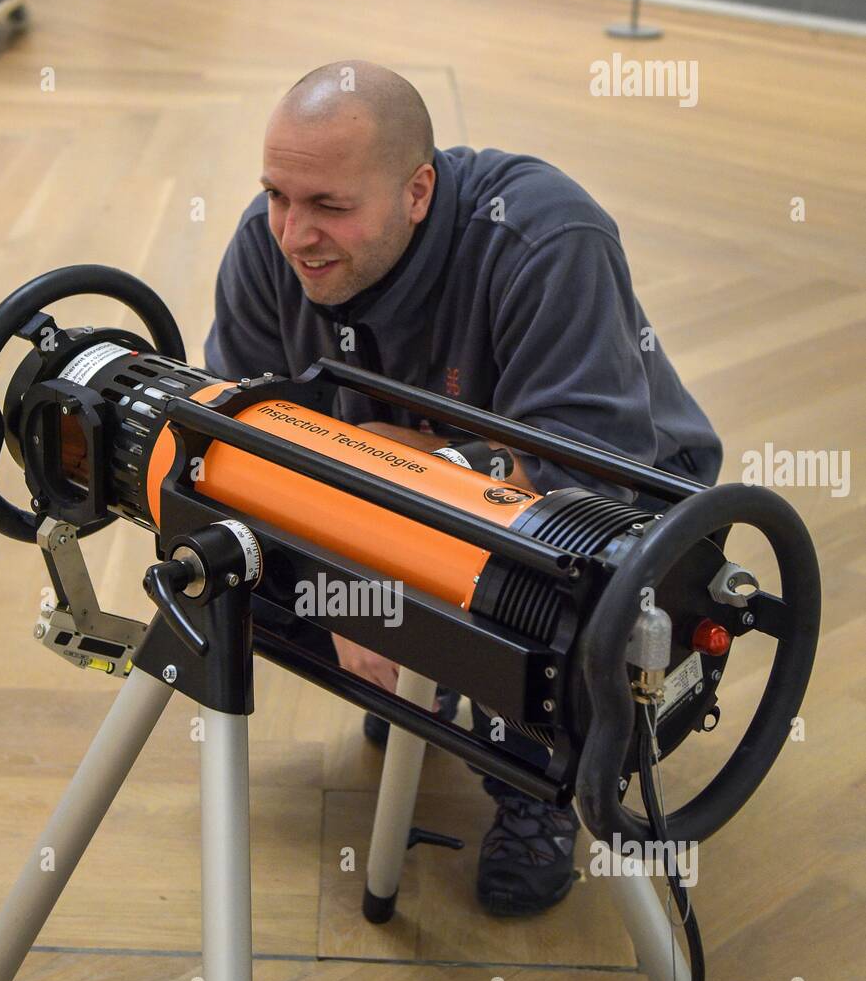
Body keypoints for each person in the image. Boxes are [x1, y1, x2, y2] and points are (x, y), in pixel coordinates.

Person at [203, 59, 722, 917]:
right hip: (411, 495)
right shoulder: (270, 245)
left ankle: (533, 777)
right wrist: (354, 592)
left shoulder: (548, 237)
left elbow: (578, 472)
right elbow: (241, 437)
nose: (292, 234)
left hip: (608, 507)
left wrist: (379, 502)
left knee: (531, 596)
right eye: (276, 195)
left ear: (417, 191)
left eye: (330, 206)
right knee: (229, 569)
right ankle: (436, 678)